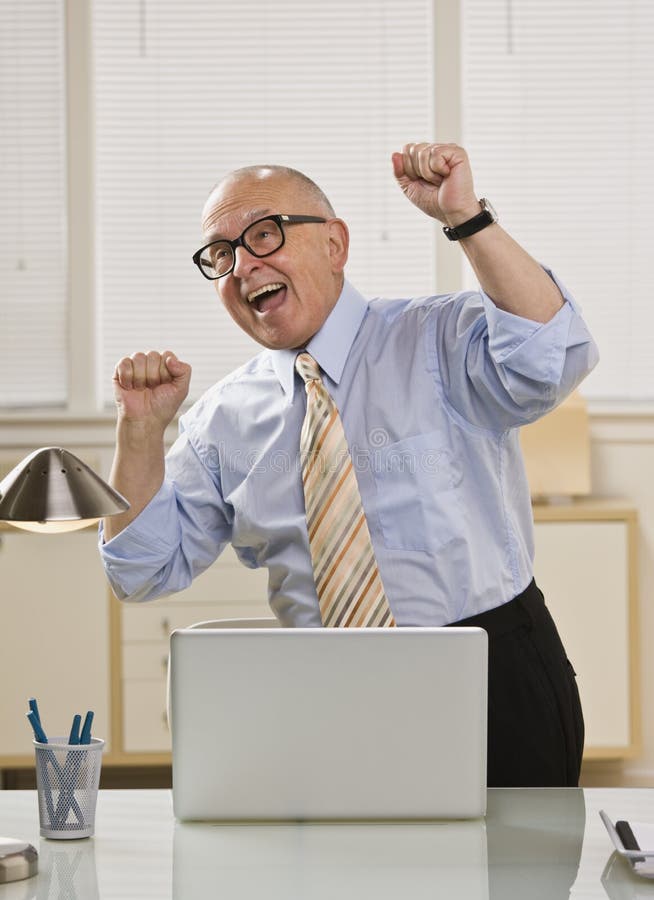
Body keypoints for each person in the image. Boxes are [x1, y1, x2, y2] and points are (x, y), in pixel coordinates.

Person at [100, 142, 599, 787]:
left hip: (491, 674)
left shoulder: (436, 337)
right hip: (324, 690)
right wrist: (138, 431)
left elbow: (553, 356)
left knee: (515, 879)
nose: (244, 265)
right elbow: (140, 570)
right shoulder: (221, 420)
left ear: (334, 244)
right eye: (222, 256)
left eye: (265, 234)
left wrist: (467, 220)